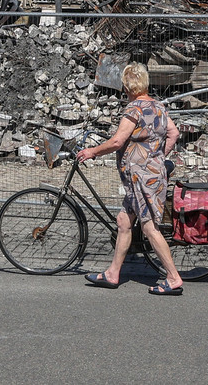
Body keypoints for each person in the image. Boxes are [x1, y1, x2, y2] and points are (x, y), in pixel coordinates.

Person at [76, 62, 184, 295]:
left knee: (148, 228)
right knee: (124, 222)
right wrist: (157, 157)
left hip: (141, 179)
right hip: (147, 176)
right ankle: (113, 273)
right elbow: (174, 133)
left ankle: (174, 277)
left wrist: (91, 152)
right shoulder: (158, 106)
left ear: (126, 87)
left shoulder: (134, 110)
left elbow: (117, 141)